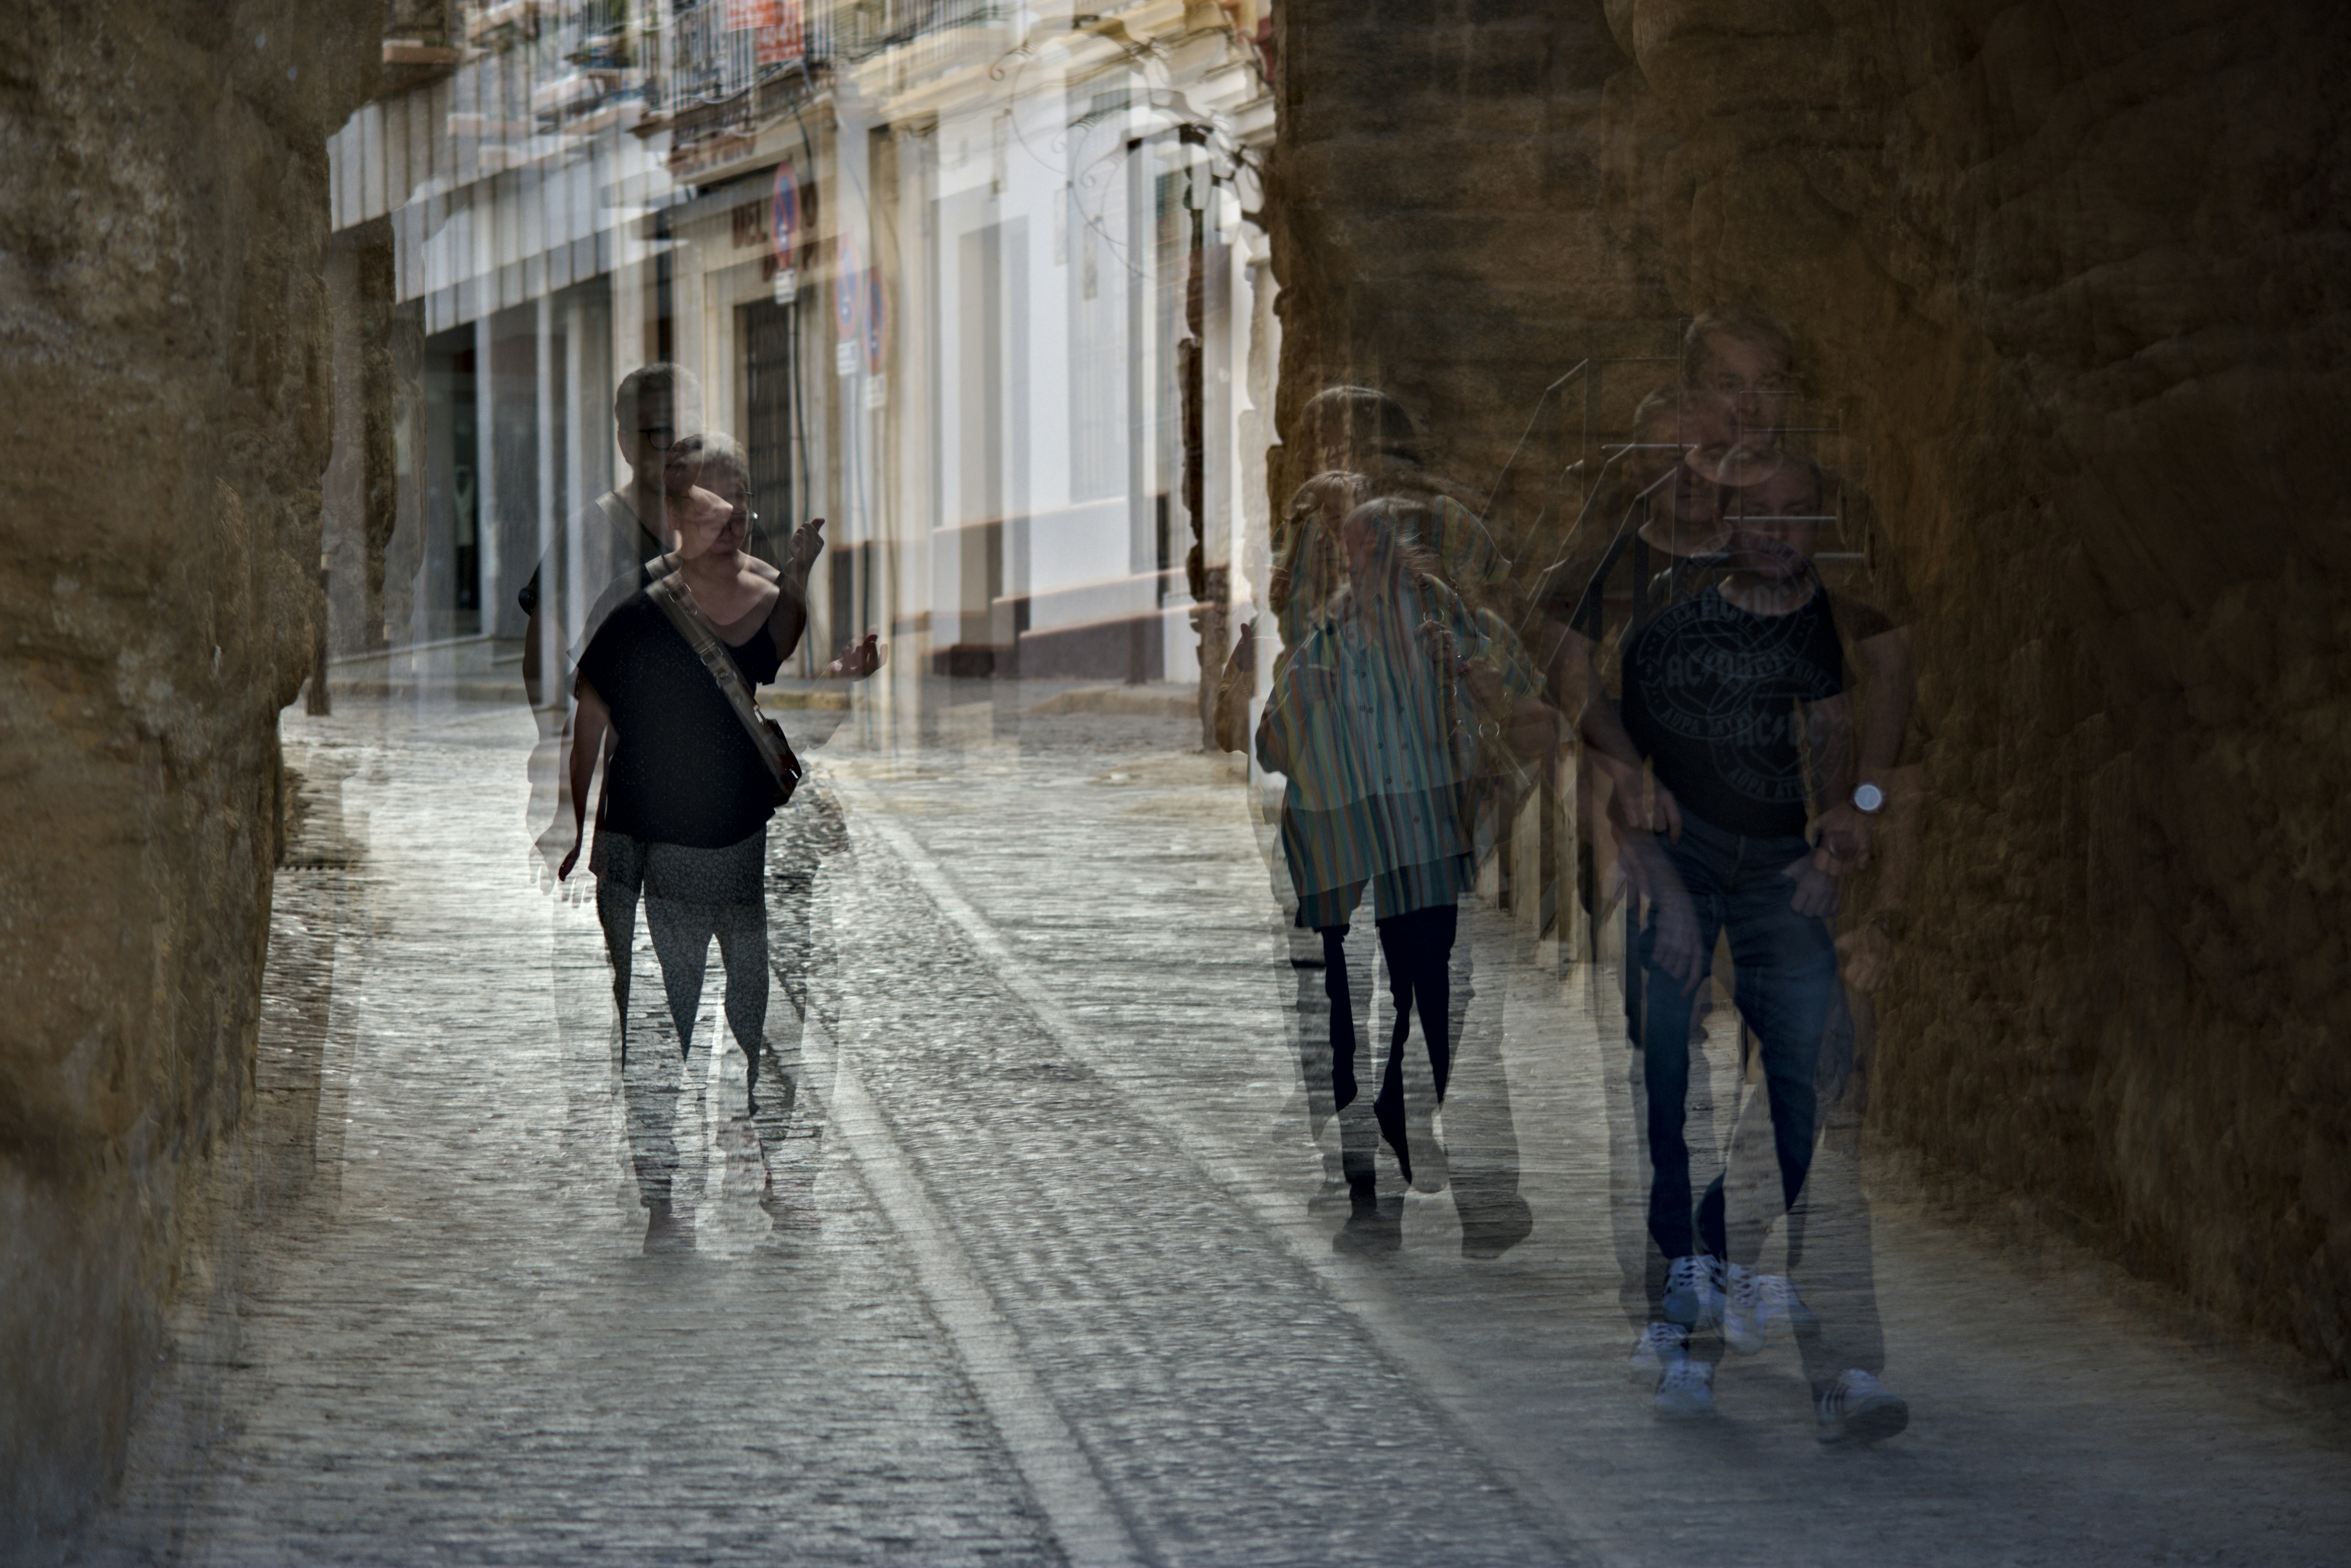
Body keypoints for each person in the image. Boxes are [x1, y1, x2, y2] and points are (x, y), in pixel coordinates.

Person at [1567, 445, 1899, 1420]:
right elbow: (1608, 756)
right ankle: (1684, 1336)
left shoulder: (1815, 616)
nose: (1781, 532)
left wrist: (1840, 823)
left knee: (1808, 1075)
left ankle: (1732, 1277)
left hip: (1778, 865)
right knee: (1670, 1082)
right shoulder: (1665, 612)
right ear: (1726, 522)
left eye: (1799, 514)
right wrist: (1652, 868)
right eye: (1762, 513)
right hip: (1682, 860)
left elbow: (1834, 733)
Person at [554, 469, 874, 1250]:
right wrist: (574, 824)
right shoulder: (634, 619)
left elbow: (781, 696)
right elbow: (588, 723)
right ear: (680, 530)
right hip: (660, 856)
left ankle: (775, 1176)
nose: (732, 526)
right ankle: (665, 1202)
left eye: (737, 515)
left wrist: (834, 659)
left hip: (744, 859)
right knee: (664, 1031)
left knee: (763, 1026)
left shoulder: (754, 609)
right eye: (713, 516)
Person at [1257, 498, 1545, 1199]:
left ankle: (1400, 1107)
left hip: (1427, 837)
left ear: (1406, 562)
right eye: (1354, 559)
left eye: (1378, 555)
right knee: (1343, 996)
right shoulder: (1324, 645)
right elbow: (1269, 751)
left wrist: (1470, 679)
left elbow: (1527, 718)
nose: (1365, 572)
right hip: (1343, 839)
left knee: (1437, 991)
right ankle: (1355, 1136)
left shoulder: (1452, 635)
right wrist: (1299, 699)